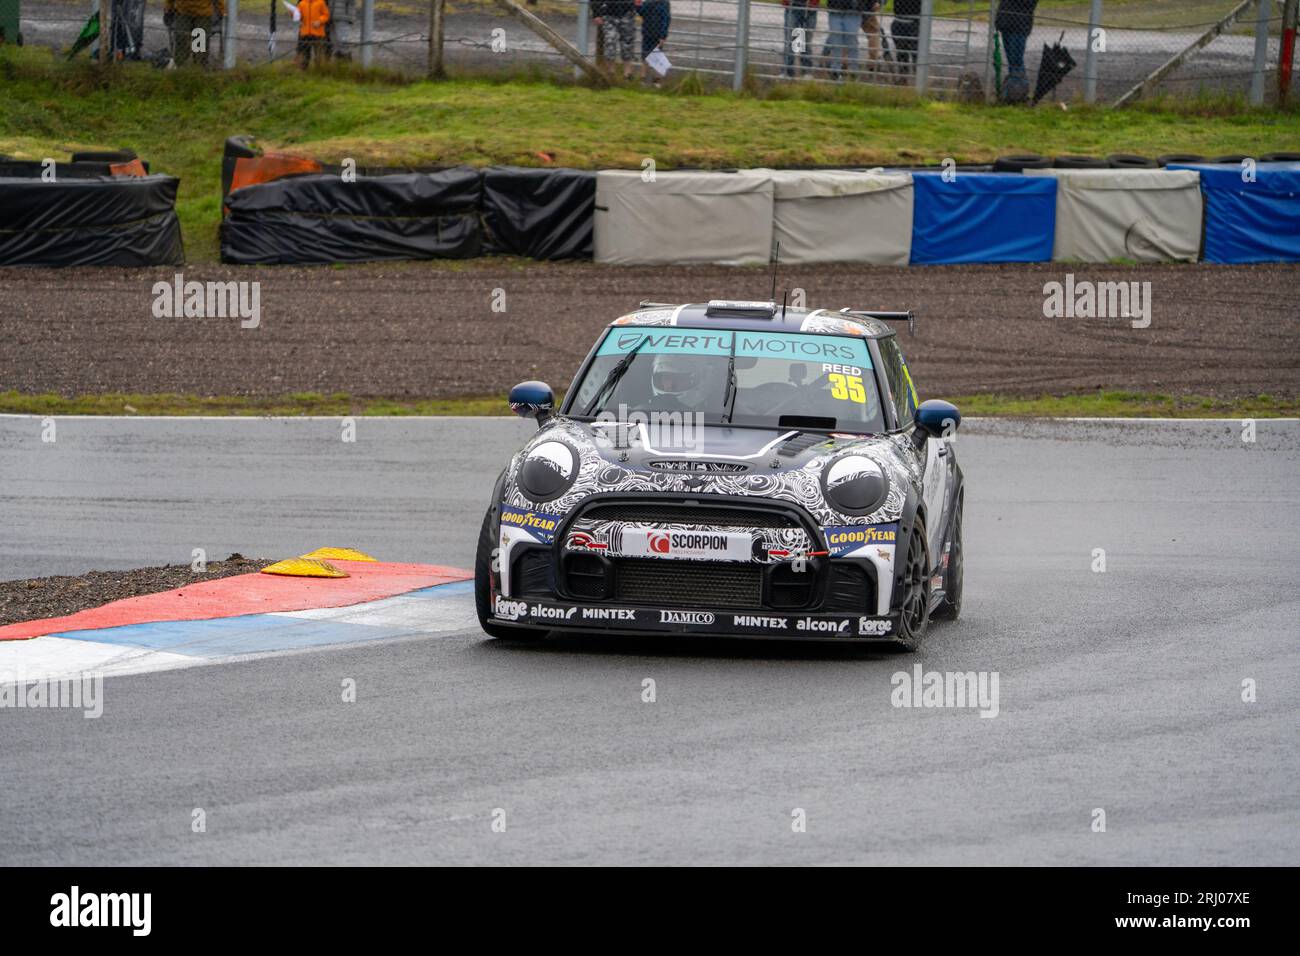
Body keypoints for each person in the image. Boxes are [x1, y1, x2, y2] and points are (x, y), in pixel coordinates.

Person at [996, 0, 1038, 98]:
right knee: (1011, 59)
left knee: (1016, 61)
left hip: (1019, 27)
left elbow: (1029, 4)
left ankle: (1018, 92)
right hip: (1006, 25)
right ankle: (1013, 91)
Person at [163, 0, 224, 67]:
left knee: (200, 42)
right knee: (182, 39)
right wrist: (168, 8)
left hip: (203, 13)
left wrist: (221, 10)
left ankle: (199, 67)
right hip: (183, 11)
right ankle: (180, 66)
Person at [594, 0, 638, 80]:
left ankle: (627, 75)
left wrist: (637, 6)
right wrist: (596, 14)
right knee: (609, 42)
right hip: (608, 14)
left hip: (627, 13)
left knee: (627, 43)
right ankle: (611, 74)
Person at [821, 0, 861, 81]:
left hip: (854, 10)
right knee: (836, 40)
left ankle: (854, 71)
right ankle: (835, 71)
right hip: (835, 9)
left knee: (851, 39)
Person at [781, 0, 819, 79]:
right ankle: (787, 70)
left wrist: (813, 3)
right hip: (792, 6)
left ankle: (806, 70)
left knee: (806, 42)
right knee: (789, 40)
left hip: (810, 9)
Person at [637, 0, 671, 87]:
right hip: (647, 32)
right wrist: (638, 4)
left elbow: (666, 19)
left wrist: (663, 35)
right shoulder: (648, 2)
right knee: (645, 55)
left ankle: (657, 79)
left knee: (657, 55)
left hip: (658, 34)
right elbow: (641, 12)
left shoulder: (664, 3)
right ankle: (642, 78)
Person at [890, 0, 920, 77]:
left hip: (914, 23)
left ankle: (919, 77)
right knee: (901, 52)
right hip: (898, 21)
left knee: (916, 52)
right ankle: (903, 76)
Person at [297, 0, 331, 68]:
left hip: (318, 33)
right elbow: (298, 16)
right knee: (304, 54)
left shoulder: (321, 2)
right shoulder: (302, 3)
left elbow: (326, 15)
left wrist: (319, 21)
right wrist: (293, 14)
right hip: (305, 33)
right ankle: (303, 70)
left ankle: (319, 71)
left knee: (319, 54)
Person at [860, 0, 882, 72]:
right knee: (873, 32)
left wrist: (879, 2)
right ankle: (872, 61)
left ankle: (843, 62)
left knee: (845, 33)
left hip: (862, 7)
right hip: (865, 8)